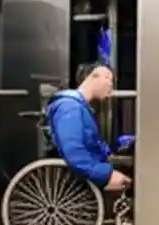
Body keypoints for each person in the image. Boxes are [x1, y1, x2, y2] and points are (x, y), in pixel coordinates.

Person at [46, 63, 132, 192]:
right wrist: (106, 175)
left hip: (94, 165)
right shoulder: (70, 107)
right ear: (93, 76)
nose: (111, 85)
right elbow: (74, 152)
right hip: (85, 176)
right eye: (107, 78)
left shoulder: (82, 108)